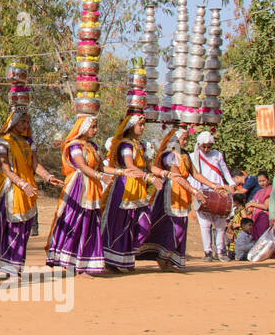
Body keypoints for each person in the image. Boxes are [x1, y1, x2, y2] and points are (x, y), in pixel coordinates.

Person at [0, 106, 61, 278]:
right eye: (23, 121)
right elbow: (5, 168)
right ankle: (2, 264)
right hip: (10, 190)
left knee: (23, 229)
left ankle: (15, 266)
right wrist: (22, 184)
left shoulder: (28, 142)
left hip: (27, 190)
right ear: (14, 120)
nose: (25, 125)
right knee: (9, 228)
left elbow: (34, 165)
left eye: (28, 122)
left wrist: (48, 177)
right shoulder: (2, 142)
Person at [45, 115, 118, 275]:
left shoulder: (92, 146)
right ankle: (70, 262)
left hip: (92, 186)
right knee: (76, 221)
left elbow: (99, 167)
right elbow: (82, 166)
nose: (96, 130)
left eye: (96, 126)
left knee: (90, 222)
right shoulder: (74, 146)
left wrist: (121, 172)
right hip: (79, 187)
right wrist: (100, 177)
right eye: (93, 127)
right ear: (84, 127)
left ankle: (83, 262)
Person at [135, 127, 204, 272]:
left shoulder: (184, 154)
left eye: (187, 139)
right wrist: (194, 191)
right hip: (171, 193)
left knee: (180, 227)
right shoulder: (169, 155)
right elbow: (176, 176)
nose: (185, 142)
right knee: (174, 227)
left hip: (183, 194)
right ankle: (161, 257)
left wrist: (215, 185)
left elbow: (195, 174)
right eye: (183, 138)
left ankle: (167, 258)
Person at [99, 112, 154, 272]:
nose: (143, 128)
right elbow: (129, 165)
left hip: (138, 188)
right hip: (124, 187)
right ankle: (111, 260)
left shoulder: (141, 145)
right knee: (119, 223)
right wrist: (149, 177)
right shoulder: (125, 145)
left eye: (144, 125)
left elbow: (150, 166)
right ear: (131, 126)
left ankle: (124, 257)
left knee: (141, 222)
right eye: (140, 124)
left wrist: (167, 175)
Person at [190, 130, 236, 260]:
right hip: (202, 191)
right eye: (203, 146)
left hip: (218, 190)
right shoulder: (192, 156)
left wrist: (231, 183)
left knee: (220, 223)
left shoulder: (217, 155)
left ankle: (220, 251)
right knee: (205, 224)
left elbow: (225, 171)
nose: (206, 149)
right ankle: (208, 252)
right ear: (198, 144)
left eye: (209, 147)